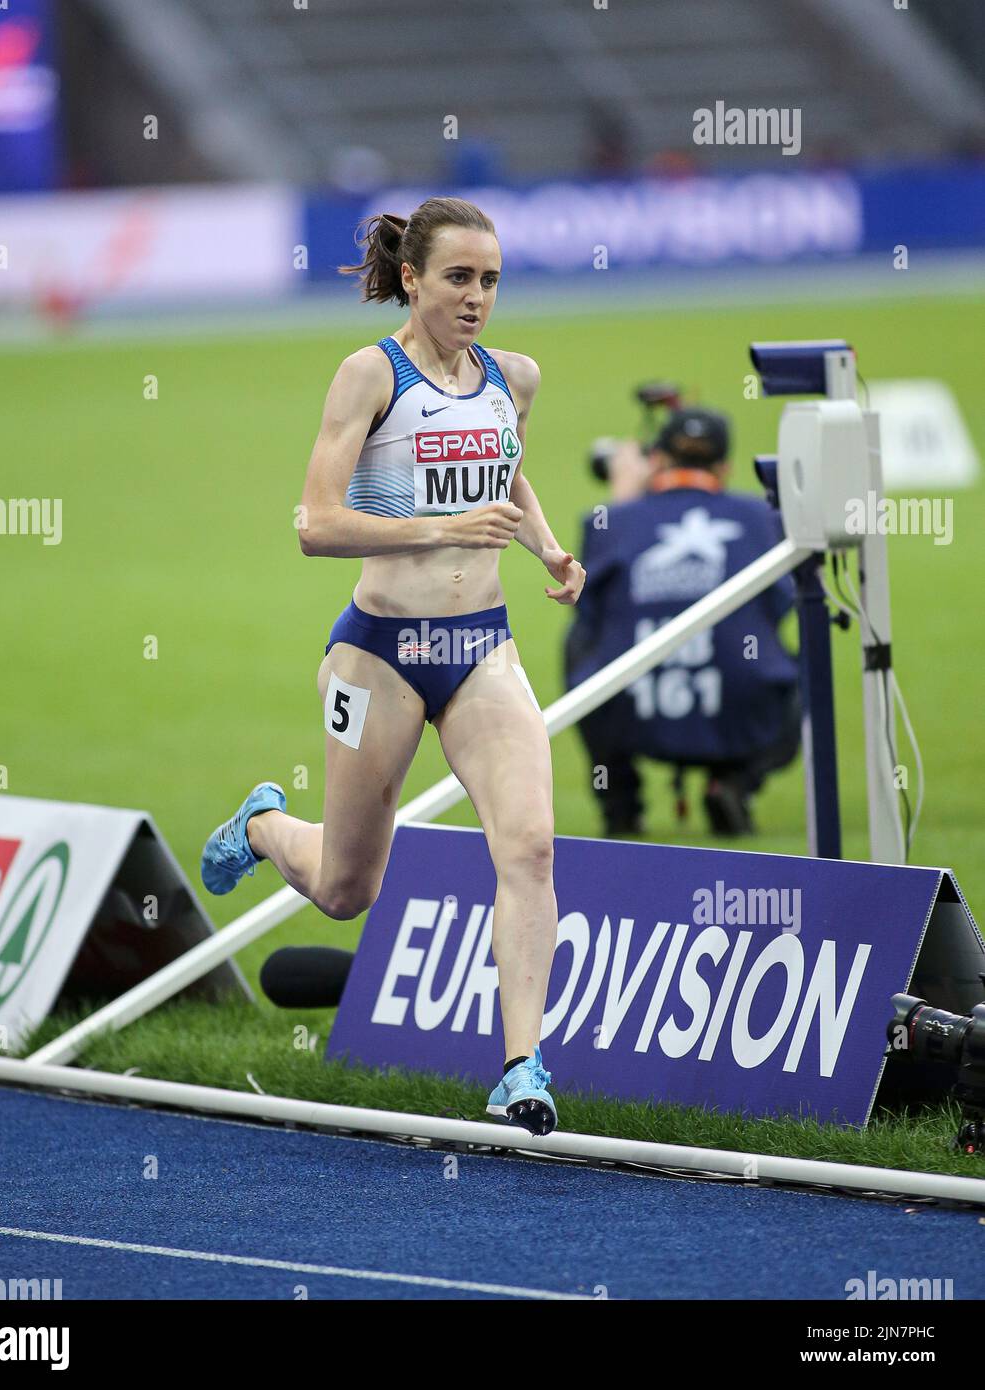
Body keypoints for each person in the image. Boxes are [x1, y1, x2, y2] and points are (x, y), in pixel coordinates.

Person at [200, 197, 585, 1136]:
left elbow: (505, 465)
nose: (476, 298)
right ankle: (262, 828)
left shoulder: (515, 376)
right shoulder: (368, 375)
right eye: (458, 278)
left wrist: (543, 546)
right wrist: (442, 526)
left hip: (482, 649)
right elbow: (315, 525)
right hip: (379, 657)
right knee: (344, 890)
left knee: (528, 845)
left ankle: (521, 1067)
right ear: (411, 278)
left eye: (490, 280)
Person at [565, 407, 800, 837]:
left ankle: (621, 805)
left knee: (582, 646)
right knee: (795, 659)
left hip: (631, 710)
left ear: (655, 460)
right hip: (740, 709)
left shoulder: (609, 520)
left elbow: (587, 607)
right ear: (725, 467)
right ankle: (731, 781)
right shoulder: (763, 518)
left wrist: (623, 499)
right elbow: (783, 607)